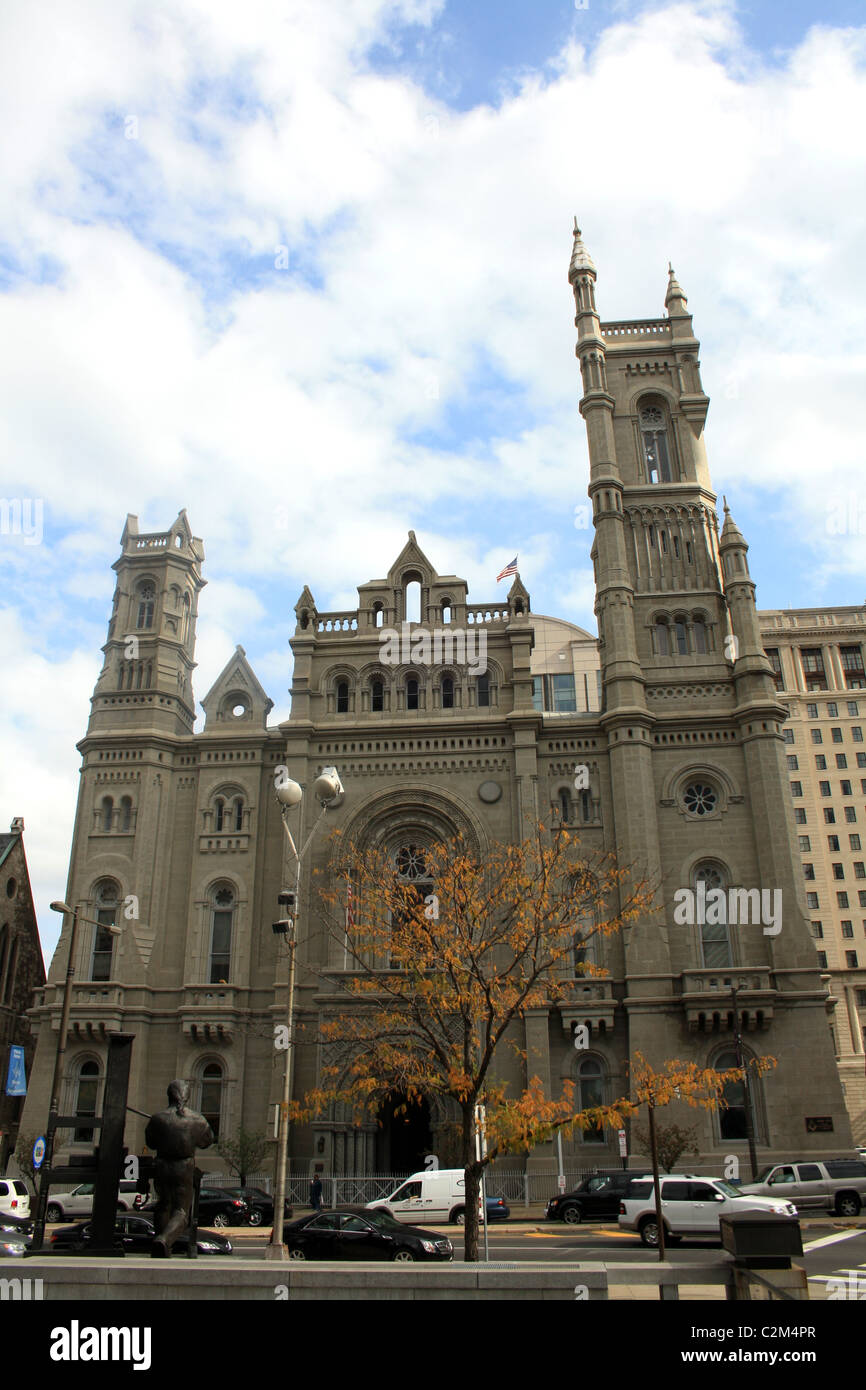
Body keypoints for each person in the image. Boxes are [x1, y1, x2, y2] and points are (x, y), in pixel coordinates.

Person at [144, 1079, 214, 1257]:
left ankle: (162, 1246)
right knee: (181, 1211)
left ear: (169, 1096)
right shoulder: (197, 1120)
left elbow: (150, 1143)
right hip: (183, 1167)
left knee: (163, 1203)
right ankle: (164, 1241)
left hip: (162, 1165)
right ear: (187, 1096)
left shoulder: (158, 1118)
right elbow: (207, 1140)